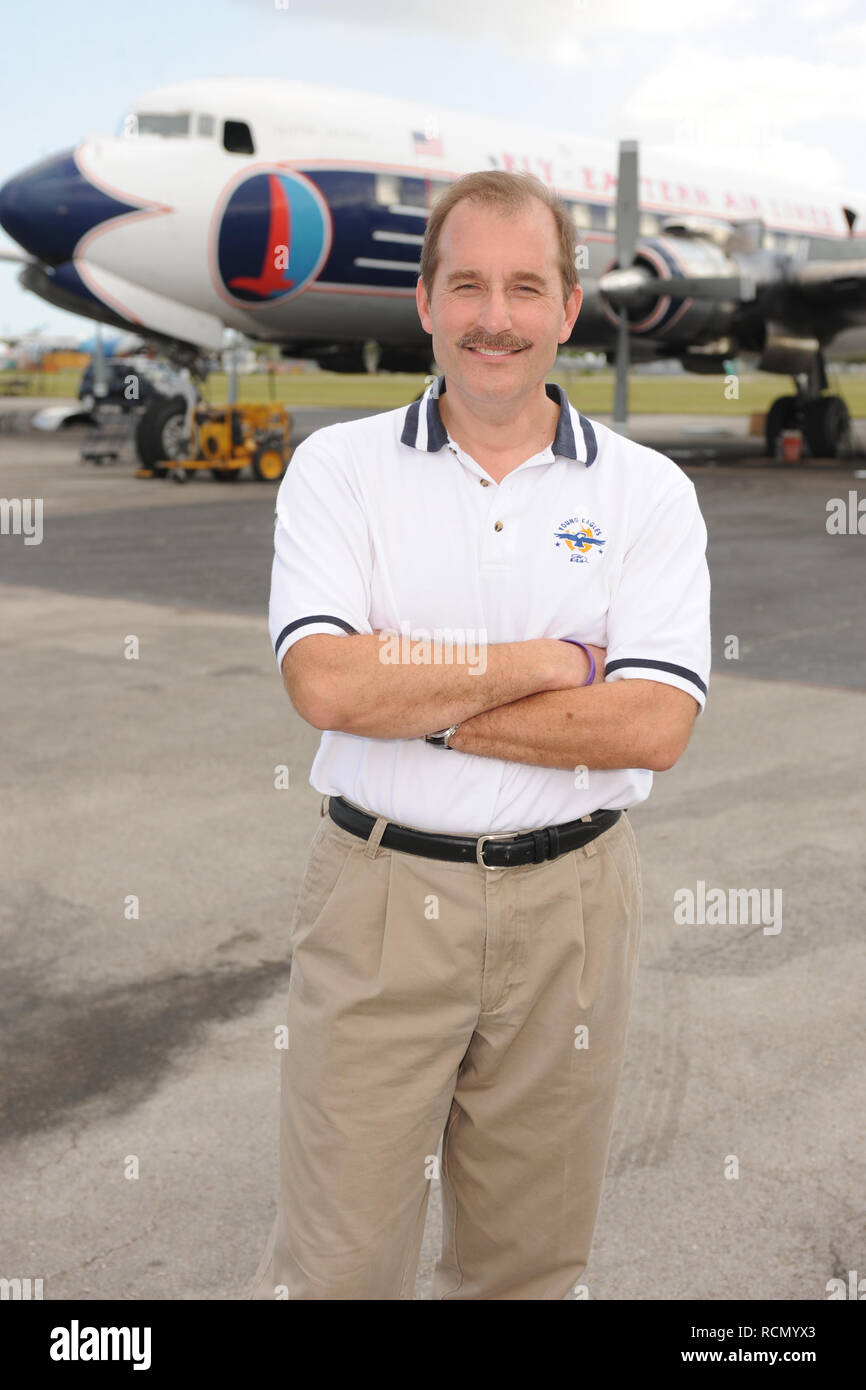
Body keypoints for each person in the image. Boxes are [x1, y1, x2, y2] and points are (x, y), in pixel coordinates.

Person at [248, 169, 710, 1301]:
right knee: (337, 1266)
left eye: (522, 288)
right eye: (465, 285)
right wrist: (553, 666)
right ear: (423, 301)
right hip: (379, 897)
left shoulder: (649, 492)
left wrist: (417, 691)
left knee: (525, 1265)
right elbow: (326, 683)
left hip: (574, 907)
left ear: (565, 309)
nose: (492, 318)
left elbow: (650, 721)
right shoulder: (336, 470)